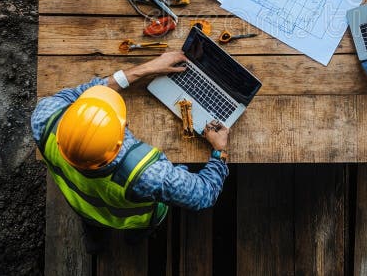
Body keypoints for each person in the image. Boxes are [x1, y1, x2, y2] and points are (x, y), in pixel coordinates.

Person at [31, 52, 230, 253]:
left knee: (94, 228)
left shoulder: (45, 117)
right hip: (137, 218)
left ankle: (96, 243)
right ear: (119, 143)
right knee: (139, 230)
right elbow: (204, 194)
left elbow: (80, 94)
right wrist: (219, 151)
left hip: (83, 208)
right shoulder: (147, 175)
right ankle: (135, 239)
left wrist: (145, 69)